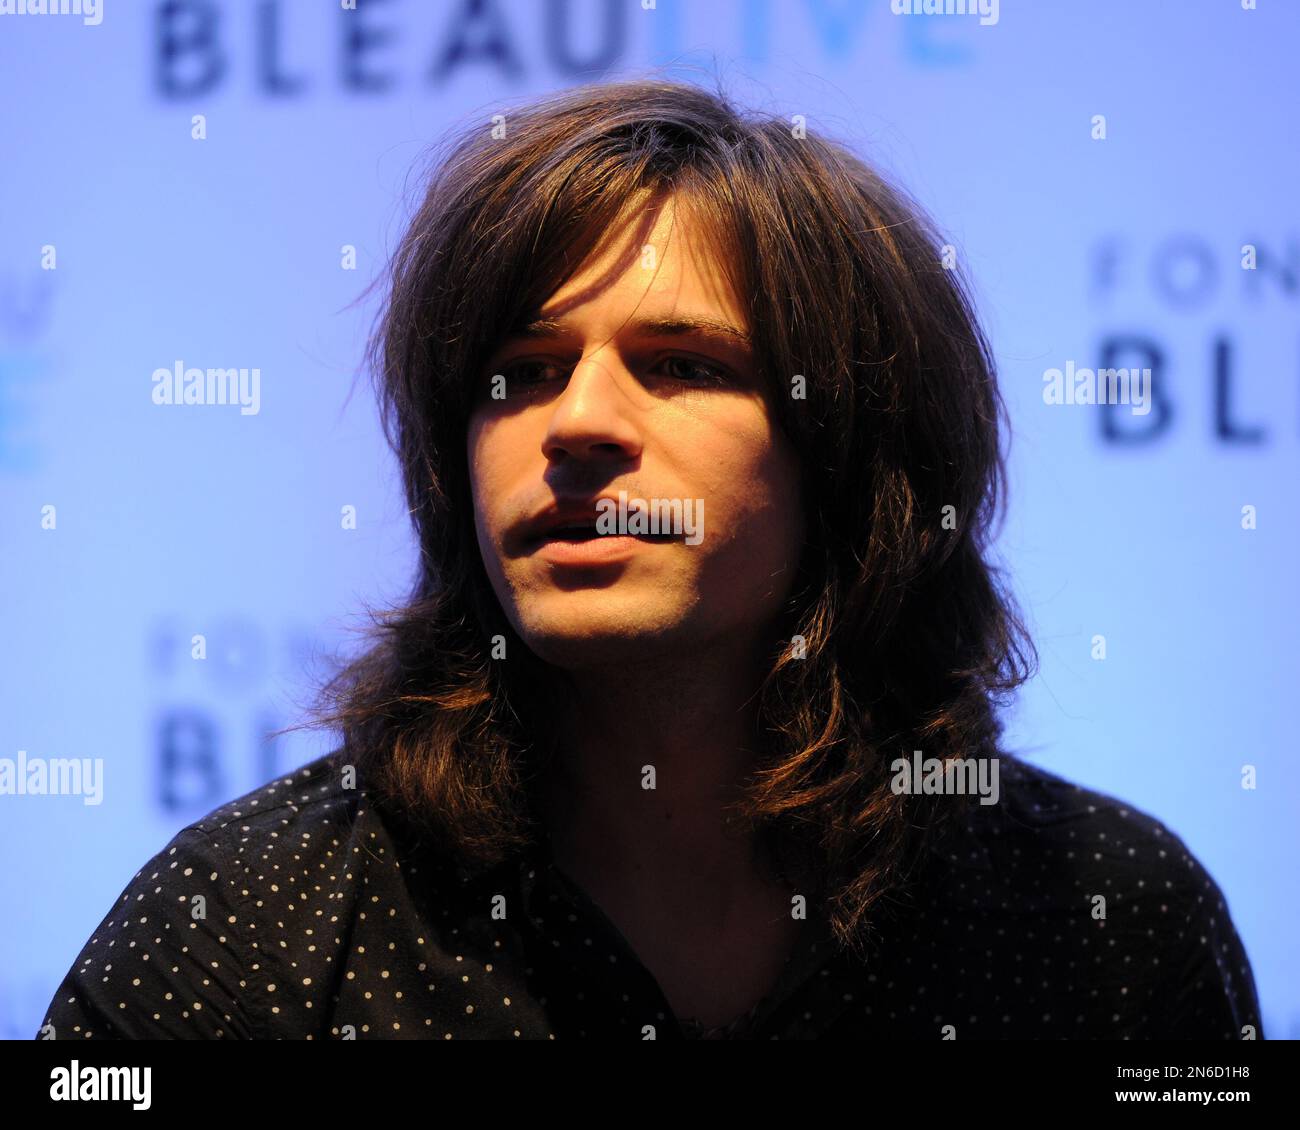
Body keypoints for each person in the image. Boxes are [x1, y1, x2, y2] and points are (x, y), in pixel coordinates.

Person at [37, 77, 1262, 1040]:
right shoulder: (248, 927)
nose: (574, 424)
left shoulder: (1100, 920)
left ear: (853, 455)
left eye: (682, 364)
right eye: (520, 371)